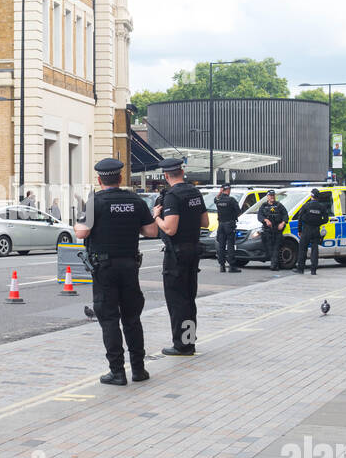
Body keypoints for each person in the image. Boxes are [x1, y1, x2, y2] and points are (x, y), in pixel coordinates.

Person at [75, 158, 159, 386]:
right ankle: (139, 370)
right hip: (130, 267)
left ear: (100, 179)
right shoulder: (135, 200)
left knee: (110, 319)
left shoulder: (95, 202)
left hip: (105, 269)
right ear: (120, 178)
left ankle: (117, 372)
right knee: (132, 318)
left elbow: (81, 233)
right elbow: (151, 231)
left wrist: (78, 222)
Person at [150, 158, 207, 355]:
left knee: (177, 300)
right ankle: (189, 341)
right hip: (193, 250)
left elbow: (170, 228)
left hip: (177, 254)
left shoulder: (173, 196)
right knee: (189, 299)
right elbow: (205, 221)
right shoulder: (194, 192)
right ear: (181, 171)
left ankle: (181, 345)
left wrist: (156, 216)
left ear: (166, 176)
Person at [294, 188, 331, 274]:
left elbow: (300, 219)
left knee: (302, 249)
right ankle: (313, 270)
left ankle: (300, 269)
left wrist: (299, 230)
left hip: (306, 230)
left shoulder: (306, 206)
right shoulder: (322, 207)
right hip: (316, 230)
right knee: (315, 250)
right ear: (318, 197)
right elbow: (326, 219)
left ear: (311, 196)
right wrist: (318, 223)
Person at [257, 190, 289, 271]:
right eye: (270, 196)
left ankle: (274, 265)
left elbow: (285, 215)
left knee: (276, 248)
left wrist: (283, 223)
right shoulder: (263, 206)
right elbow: (259, 216)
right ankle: (274, 263)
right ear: (267, 197)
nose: (272, 197)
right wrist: (265, 220)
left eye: (273, 195)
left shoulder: (279, 205)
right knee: (269, 248)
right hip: (267, 231)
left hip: (277, 230)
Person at [212, 183, 241, 273]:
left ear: (222, 190)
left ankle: (222, 266)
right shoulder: (231, 200)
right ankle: (232, 266)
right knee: (230, 245)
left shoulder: (218, 200)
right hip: (229, 224)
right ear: (228, 190)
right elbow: (239, 211)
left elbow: (215, 200)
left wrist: (219, 193)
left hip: (221, 225)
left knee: (221, 245)